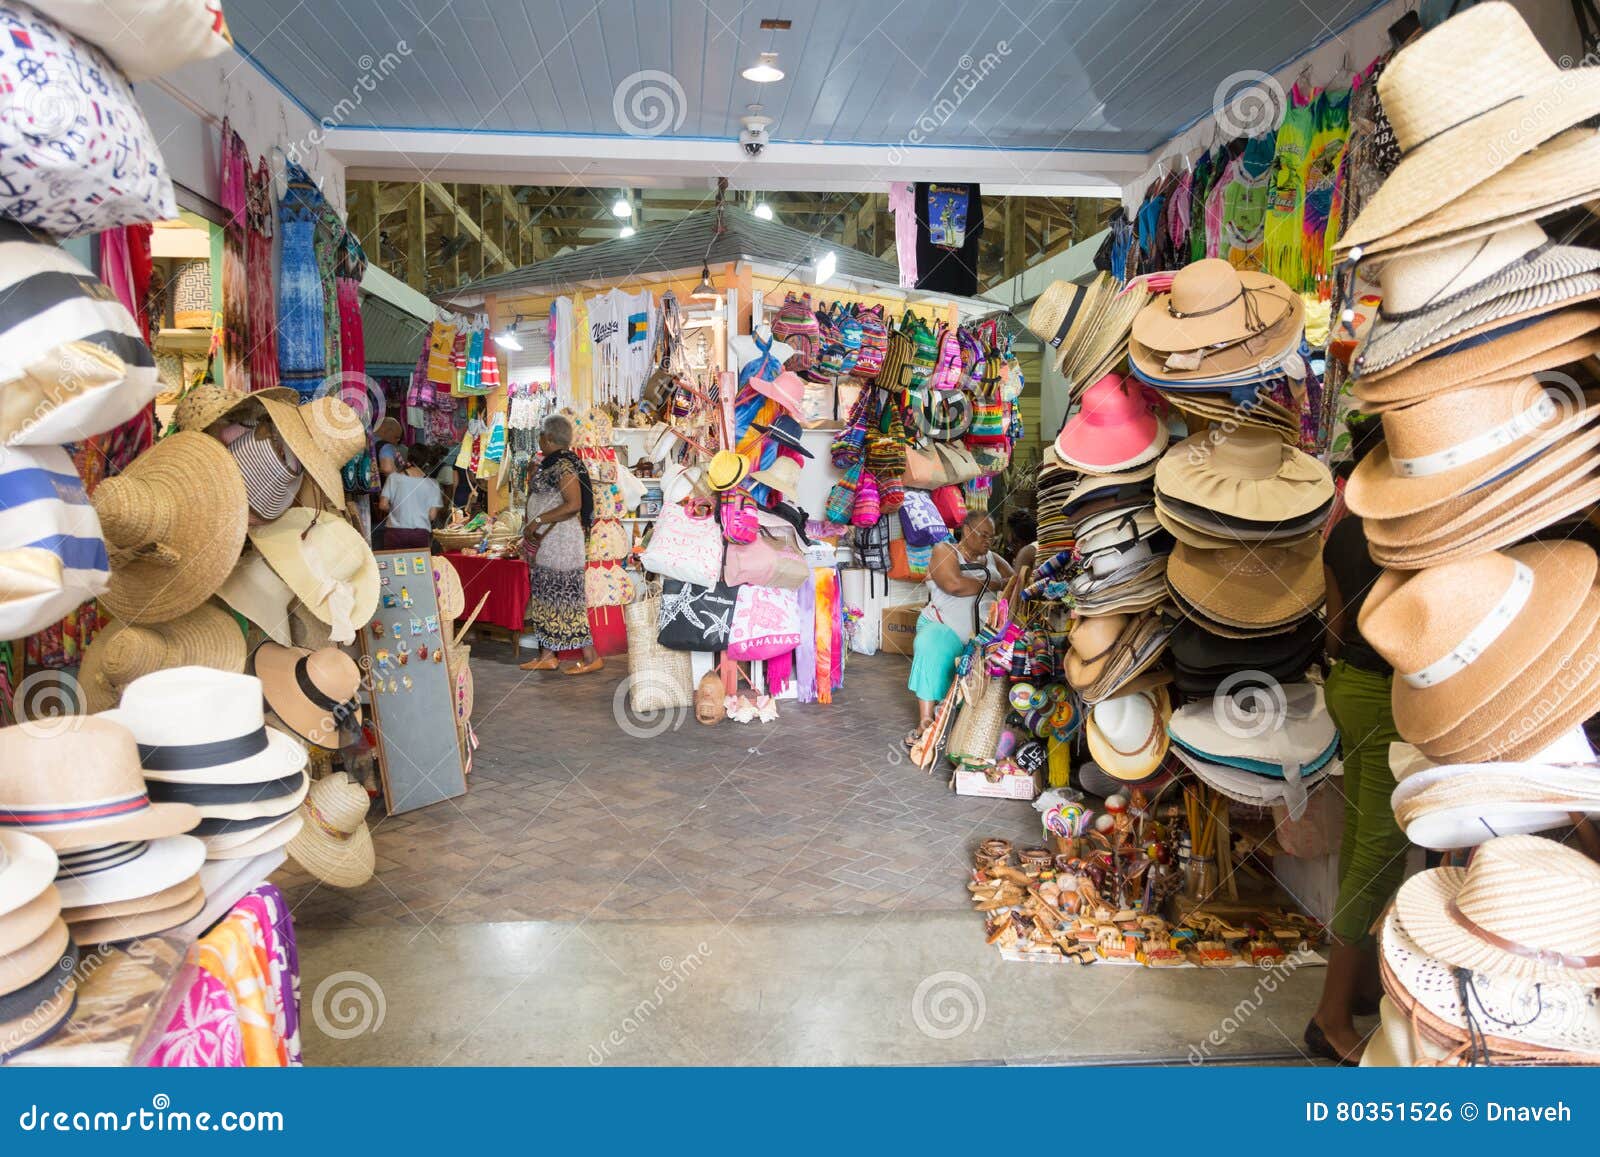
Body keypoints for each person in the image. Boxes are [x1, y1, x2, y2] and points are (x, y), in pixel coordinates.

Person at [1306, 424, 1403, 1066]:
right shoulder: (1411, 527)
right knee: (1378, 853)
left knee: (1370, 843)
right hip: (1392, 697)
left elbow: (1334, 634)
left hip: (1348, 685)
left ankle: (1363, 983)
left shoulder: (1342, 530)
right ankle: (1330, 1016)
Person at [906, 511, 1012, 748]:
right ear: (966, 531)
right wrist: (994, 584)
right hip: (944, 626)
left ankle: (962, 721)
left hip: (982, 634)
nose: (988, 541)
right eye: (983, 535)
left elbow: (1015, 584)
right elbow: (953, 584)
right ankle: (925, 719)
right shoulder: (944, 551)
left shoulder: (994, 559)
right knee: (931, 643)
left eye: (991, 537)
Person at [519, 413, 602, 676]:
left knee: (568, 600)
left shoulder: (564, 465)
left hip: (562, 543)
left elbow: (573, 504)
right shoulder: (549, 464)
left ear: (549, 437)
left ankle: (591, 658)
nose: (539, 439)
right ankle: (547, 656)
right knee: (544, 597)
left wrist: (538, 519)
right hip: (547, 543)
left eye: (541, 434)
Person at [375, 445, 441, 550]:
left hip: (395, 533)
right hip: (420, 533)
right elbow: (432, 516)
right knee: (419, 565)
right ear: (426, 462)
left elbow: (383, 505)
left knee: (394, 564)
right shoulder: (433, 484)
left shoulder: (394, 478)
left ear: (409, 458)